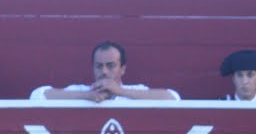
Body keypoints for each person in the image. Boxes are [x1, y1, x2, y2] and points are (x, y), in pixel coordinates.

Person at [31, 41, 180, 102]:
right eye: (99, 66)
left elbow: (173, 98)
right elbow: (38, 95)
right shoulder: (80, 91)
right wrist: (87, 96)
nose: (104, 71)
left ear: (122, 69)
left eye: (110, 66)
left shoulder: (135, 91)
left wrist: (121, 92)